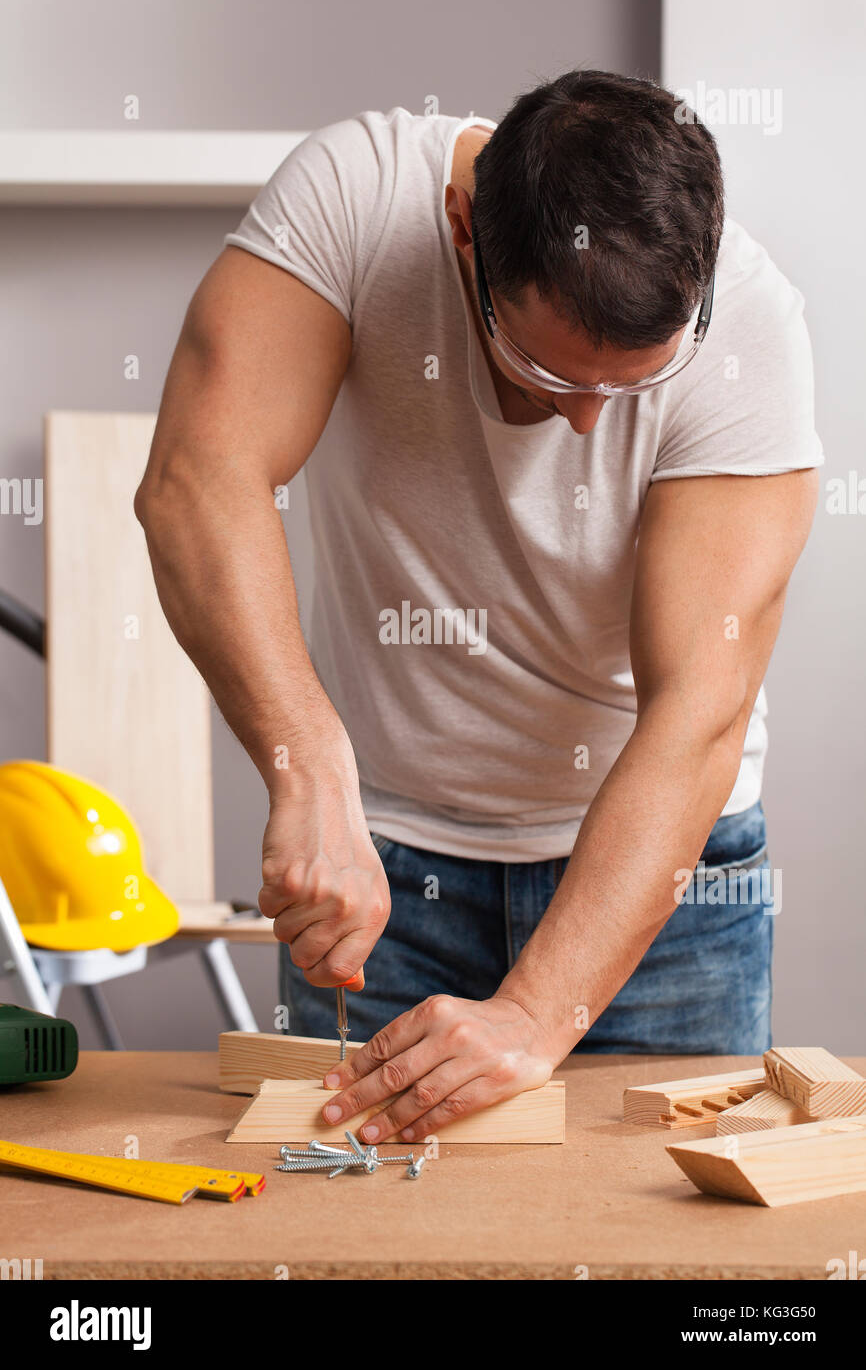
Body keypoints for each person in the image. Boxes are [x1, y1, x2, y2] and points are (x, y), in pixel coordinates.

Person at [136, 70, 822, 1145]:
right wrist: (307, 764)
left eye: (629, 386)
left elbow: (698, 708)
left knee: (665, 1263)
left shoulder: (744, 329)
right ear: (463, 230)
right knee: (347, 1244)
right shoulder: (358, 198)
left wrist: (538, 1011)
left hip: (662, 898)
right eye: (548, 373)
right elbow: (196, 479)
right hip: (391, 868)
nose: (589, 428)